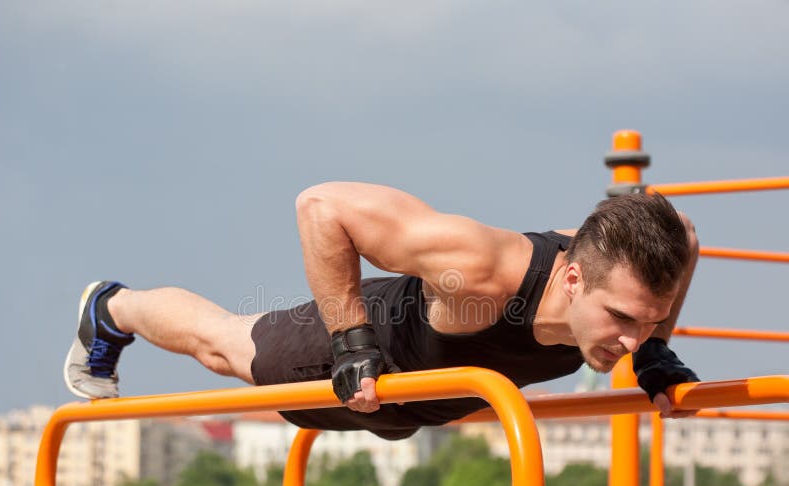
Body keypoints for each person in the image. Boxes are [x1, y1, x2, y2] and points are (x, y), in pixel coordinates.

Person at [64, 182, 699, 440]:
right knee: (225, 345)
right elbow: (321, 207)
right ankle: (112, 308)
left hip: (424, 401)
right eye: (621, 318)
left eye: (649, 319)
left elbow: (688, 238)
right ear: (572, 276)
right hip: (373, 357)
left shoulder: (632, 299)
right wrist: (350, 343)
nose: (629, 336)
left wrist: (656, 349)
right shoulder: (482, 267)